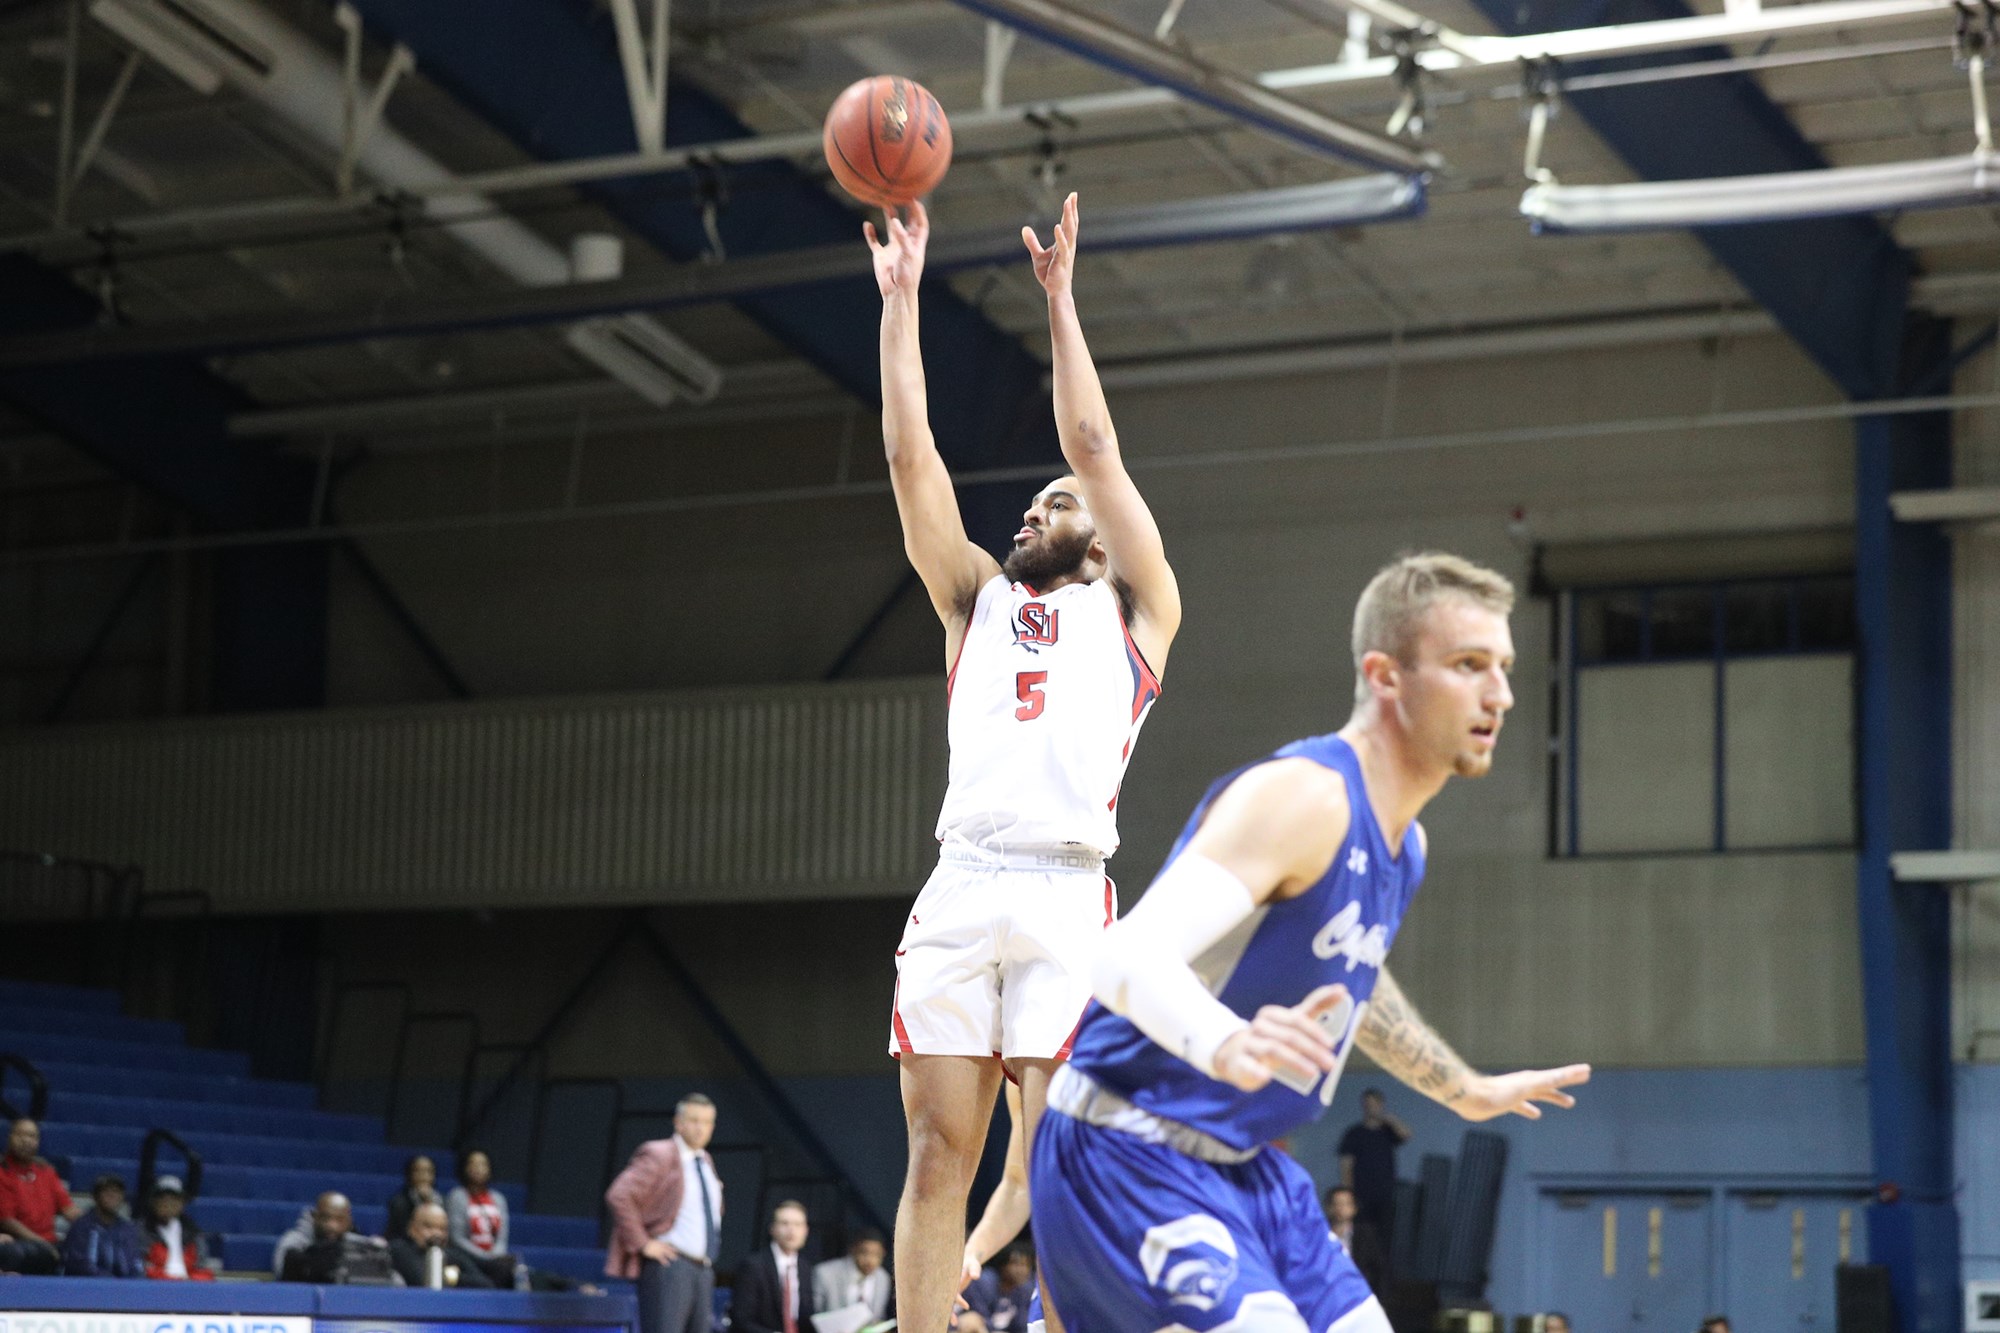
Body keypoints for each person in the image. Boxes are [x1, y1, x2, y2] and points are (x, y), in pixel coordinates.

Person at [1030, 552, 1593, 1333]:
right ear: (1386, 674)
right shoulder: (1306, 795)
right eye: (1469, 665)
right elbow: (1122, 955)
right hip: (1128, 1146)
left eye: (1503, 667)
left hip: (1250, 1166)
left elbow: (1355, 970)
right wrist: (1227, 1043)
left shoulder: (1406, 843)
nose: (1500, 693)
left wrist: (1460, 1086)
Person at [869, 189, 1182, 1333]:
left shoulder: (1139, 606)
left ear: (1097, 533)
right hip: (962, 882)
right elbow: (911, 461)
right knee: (934, 1157)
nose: (1027, 514)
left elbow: (1091, 446)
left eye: (1049, 506)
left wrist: (1059, 302)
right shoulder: (974, 601)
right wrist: (899, 304)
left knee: (1056, 1170)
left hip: (1064, 890)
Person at [605, 1094, 724, 1333]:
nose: (701, 1128)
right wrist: (643, 1243)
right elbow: (619, 1195)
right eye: (694, 1120)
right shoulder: (660, 1153)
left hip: (702, 1268)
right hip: (671, 1265)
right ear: (678, 1122)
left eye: (707, 1122)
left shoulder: (705, 1160)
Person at [0, 1118, 78, 1274]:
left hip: (49, 1242)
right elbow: (8, 1221)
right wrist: (43, 1244)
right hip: (19, 1242)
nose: (26, 1141)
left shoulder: (46, 1171)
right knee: (17, 1253)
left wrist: (92, 1223)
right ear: (10, 1138)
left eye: (32, 1136)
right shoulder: (3, 1172)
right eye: (20, 1135)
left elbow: (68, 1209)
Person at [278, 1191, 393, 1283]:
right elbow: (280, 1271)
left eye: (339, 1219)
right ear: (314, 1217)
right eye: (325, 1217)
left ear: (349, 1223)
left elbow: (394, 1281)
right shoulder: (293, 1242)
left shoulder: (359, 1244)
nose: (331, 1225)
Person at [1337, 1089, 1411, 1233]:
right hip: (1361, 1192)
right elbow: (1346, 1164)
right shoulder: (1354, 1133)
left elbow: (1406, 1135)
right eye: (1368, 1104)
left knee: (1385, 1232)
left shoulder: (1387, 1131)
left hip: (1385, 1192)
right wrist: (1348, 1191)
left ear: (1381, 1105)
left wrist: (1391, 1120)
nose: (1371, 1108)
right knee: (1361, 1230)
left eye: (1374, 1104)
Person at [733, 1201, 811, 1333]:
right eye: (785, 1223)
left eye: (798, 1224)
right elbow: (742, 1319)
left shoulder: (805, 1268)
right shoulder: (753, 1266)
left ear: (806, 1231)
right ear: (772, 1229)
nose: (791, 1230)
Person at [446, 1149, 517, 1288]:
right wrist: (486, 1257)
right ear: (465, 1168)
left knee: (510, 1270)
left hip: (494, 1259)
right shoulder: (457, 1196)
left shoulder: (498, 1198)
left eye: (482, 1164)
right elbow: (457, 1238)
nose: (478, 1168)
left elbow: (502, 1236)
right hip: (468, 1257)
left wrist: (495, 1254)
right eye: (473, 1164)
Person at [389, 1201, 498, 1289]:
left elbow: (486, 1284)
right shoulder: (400, 1249)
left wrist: (455, 1277)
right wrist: (448, 1276)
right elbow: (423, 1281)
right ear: (411, 1229)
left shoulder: (453, 1255)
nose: (437, 1233)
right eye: (428, 1226)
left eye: (442, 1229)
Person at [62, 1174, 146, 1277]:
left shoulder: (127, 1229)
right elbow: (81, 1265)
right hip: (89, 1287)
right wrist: (111, 1283)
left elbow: (135, 1263)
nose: (112, 1196)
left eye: (116, 1192)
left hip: (123, 1288)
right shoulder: (82, 1227)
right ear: (96, 1196)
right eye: (106, 1191)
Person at [141, 1175, 218, 1280]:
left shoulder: (193, 1233)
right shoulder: (140, 1231)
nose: (168, 1203)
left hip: (188, 1289)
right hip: (153, 1289)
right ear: (153, 1202)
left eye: (174, 1199)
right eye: (163, 1199)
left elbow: (201, 1267)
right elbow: (139, 1267)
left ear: (182, 1204)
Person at [815, 1227, 892, 1323]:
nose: (870, 1260)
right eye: (864, 1252)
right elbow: (816, 1316)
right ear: (853, 1250)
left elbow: (879, 1316)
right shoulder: (826, 1274)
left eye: (877, 1254)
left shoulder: (883, 1278)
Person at [1322, 1186, 1388, 1295]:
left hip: (1357, 1295)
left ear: (1354, 1208)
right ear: (1328, 1208)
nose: (1340, 1208)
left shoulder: (1367, 1235)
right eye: (1336, 1204)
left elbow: (1380, 1269)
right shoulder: (1319, 1235)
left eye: (1345, 1204)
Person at [965, 1247, 1037, 1333]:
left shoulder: (1025, 1290)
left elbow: (1022, 1326)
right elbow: (979, 1316)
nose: (1022, 1270)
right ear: (1003, 1265)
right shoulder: (985, 1281)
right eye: (1016, 1264)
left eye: (1026, 1265)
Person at [386, 1154, 442, 1241]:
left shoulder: (442, 1201)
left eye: (428, 1171)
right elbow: (401, 1234)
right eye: (418, 1171)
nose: (423, 1176)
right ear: (409, 1175)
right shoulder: (399, 1203)